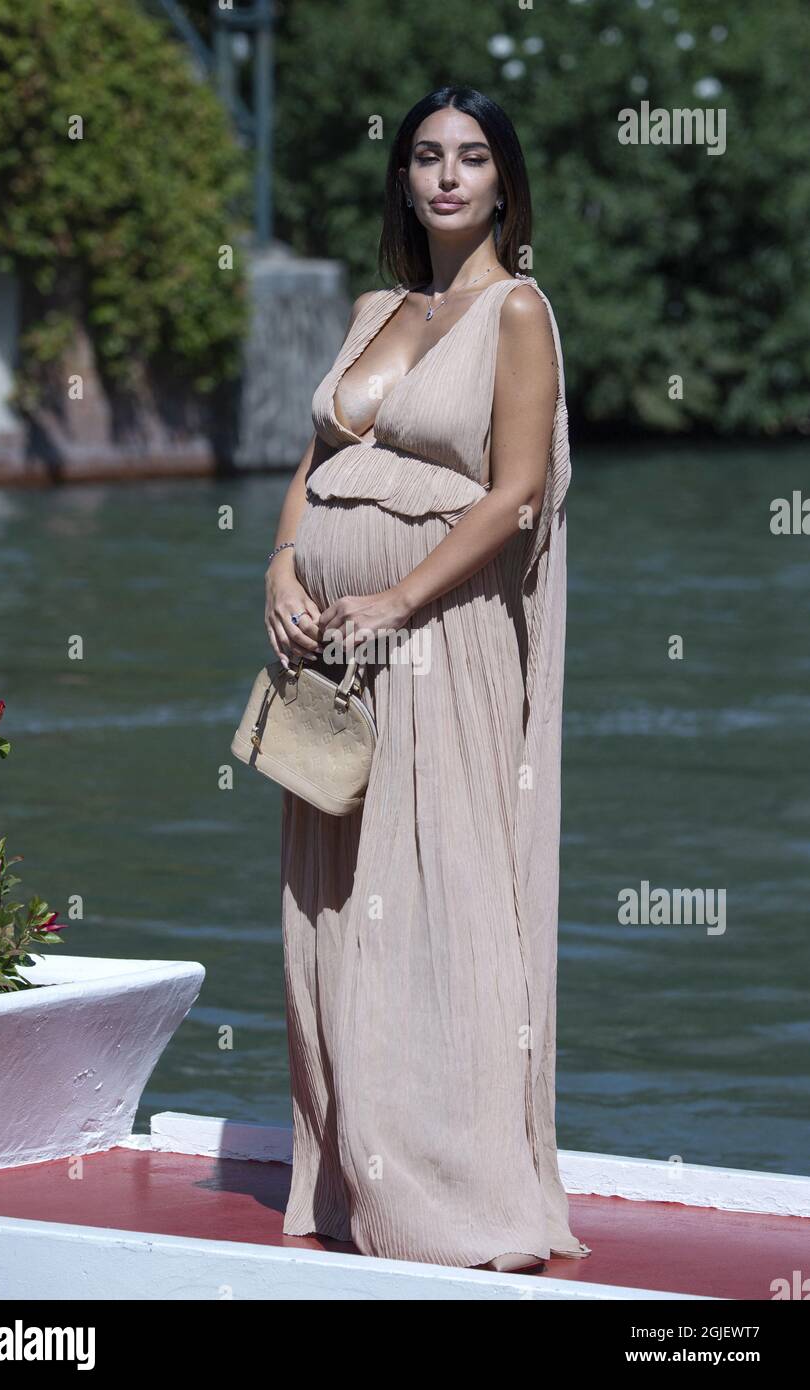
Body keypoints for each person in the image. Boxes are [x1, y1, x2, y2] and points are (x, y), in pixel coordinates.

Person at [263, 85, 591, 1273]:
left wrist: (398, 596)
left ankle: (457, 1198)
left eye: (469, 158)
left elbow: (510, 495)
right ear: (401, 178)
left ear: (503, 180)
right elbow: (316, 460)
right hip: (329, 648)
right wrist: (282, 569)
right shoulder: (372, 309)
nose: (446, 176)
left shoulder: (517, 314)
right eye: (424, 157)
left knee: (439, 894)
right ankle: (358, 1176)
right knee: (338, 904)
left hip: (439, 642)